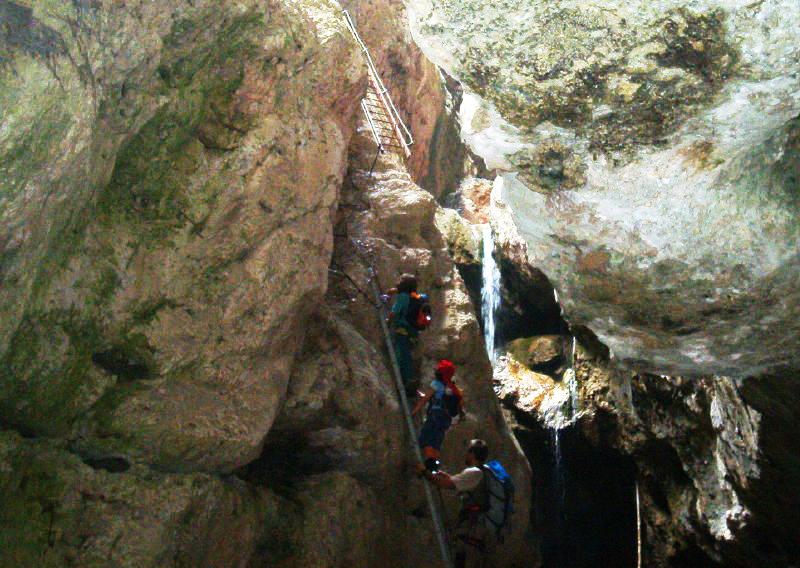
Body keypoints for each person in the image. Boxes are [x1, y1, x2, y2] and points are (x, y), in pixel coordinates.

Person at [416, 439, 499, 568]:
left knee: (462, 560)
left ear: (472, 454)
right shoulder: (482, 472)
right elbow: (456, 482)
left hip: (472, 529)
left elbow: (443, 484)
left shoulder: (474, 473)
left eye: (467, 451)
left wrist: (424, 471)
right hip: (478, 530)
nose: (465, 454)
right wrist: (448, 477)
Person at [412, 359, 465, 472]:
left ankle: (429, 467)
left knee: (426, 439)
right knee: (436, 443)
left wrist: (414, 411)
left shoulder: (437, 384)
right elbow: (435, 397)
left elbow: (426, 398)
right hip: (446, 419)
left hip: (436, 416)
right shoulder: (451, 388)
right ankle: (434, 467)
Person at [387, 273, 420, 392]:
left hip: (403, 330)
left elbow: (394, 312)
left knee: (401, 355)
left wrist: (388, 321)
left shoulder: (402, 297)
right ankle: (409, 379)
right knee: (407, 354)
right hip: (413, 331)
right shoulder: (414, 296)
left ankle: (407, 380)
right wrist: (394, 291)